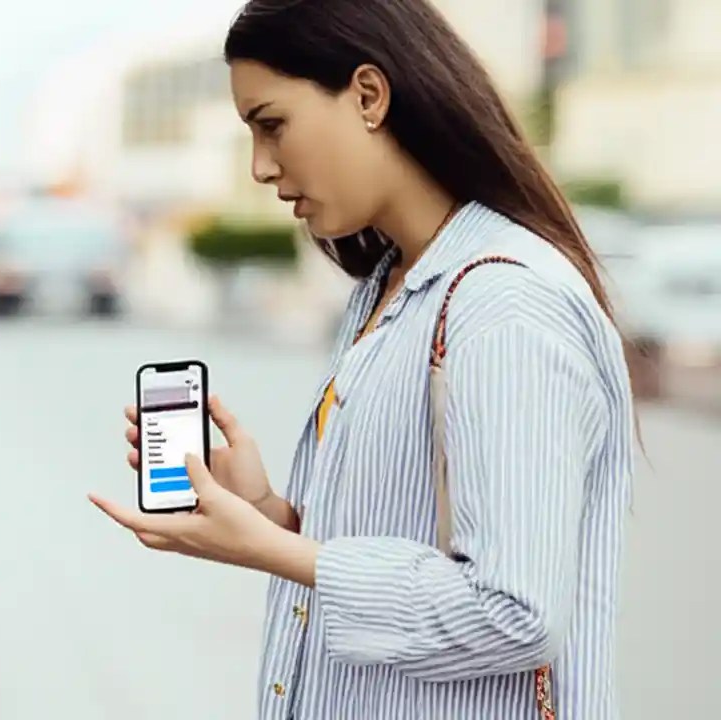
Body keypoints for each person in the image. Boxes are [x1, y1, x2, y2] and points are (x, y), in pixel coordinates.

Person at [88, 1, 635, 718]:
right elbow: (408, 548)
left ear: (369, 96)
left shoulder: (503, 305)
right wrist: (272, 517)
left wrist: (282, 554)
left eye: (271, 123)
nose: (259, 166)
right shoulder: (391, 287)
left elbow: (513, 611)